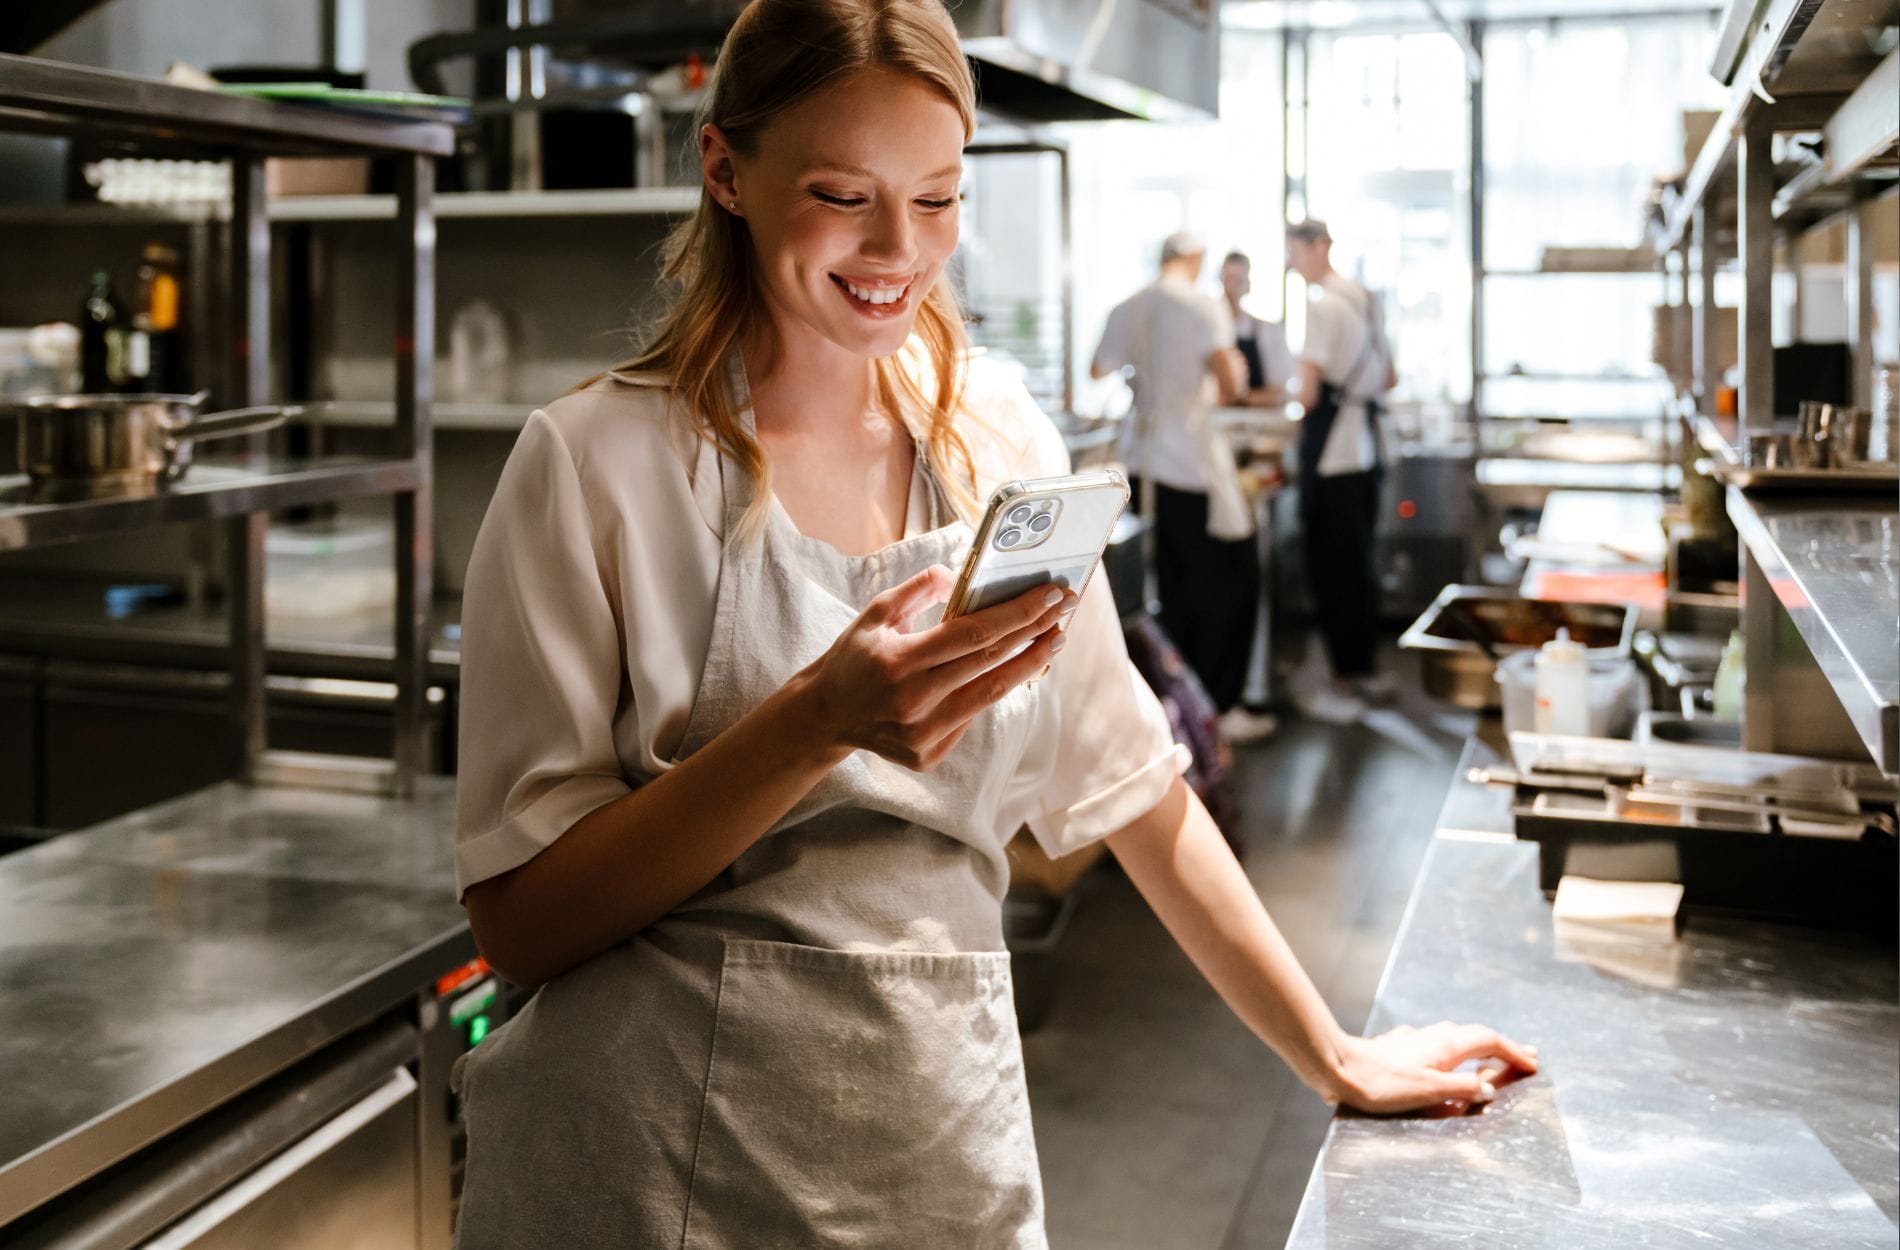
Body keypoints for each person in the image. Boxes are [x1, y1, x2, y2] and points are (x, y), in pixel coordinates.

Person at [452, 5, 1535, 1245]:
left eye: (936, 199)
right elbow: (521, 919)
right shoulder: (598, 464)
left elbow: (1131, 781)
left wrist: (1330, 1049)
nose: (895, 249)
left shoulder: (997, 448)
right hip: (639, 1172)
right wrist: (812, 722)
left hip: (929, 1141)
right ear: (723, 172)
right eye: (843, 193)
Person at [1090, 232, 1277, 745]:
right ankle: (1218, 705)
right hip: (1190, 461)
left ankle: (1178, 707)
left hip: (1142, 461)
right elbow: (1232, 385)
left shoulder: (1129, 306)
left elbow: (1096, 368)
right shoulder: (1201, 305)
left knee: (1170, 586)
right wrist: (1227, 371)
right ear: (1194, 260)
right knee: (1226, 583)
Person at [1286, 218, 1397, 724]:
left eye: (1292, 250)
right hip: (1367, 453)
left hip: (1332, 457)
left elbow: (1308, 395)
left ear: (1316, 247)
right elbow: (1389, 377)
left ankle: (1342, 683)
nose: (1290, 260)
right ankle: (1367, 669)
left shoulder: (1322, 305)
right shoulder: (1364, 298)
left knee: (1331, 570)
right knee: (1359, 566)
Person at [1220, 250, 1296, 407]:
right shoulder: (1207, 330)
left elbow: (1280, 391)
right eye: (1228, 280)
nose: (1231, 288)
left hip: (1258, 422)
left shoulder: (1268, 331)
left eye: (1237, 281)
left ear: (1248, 284)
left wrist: (1242, 398)